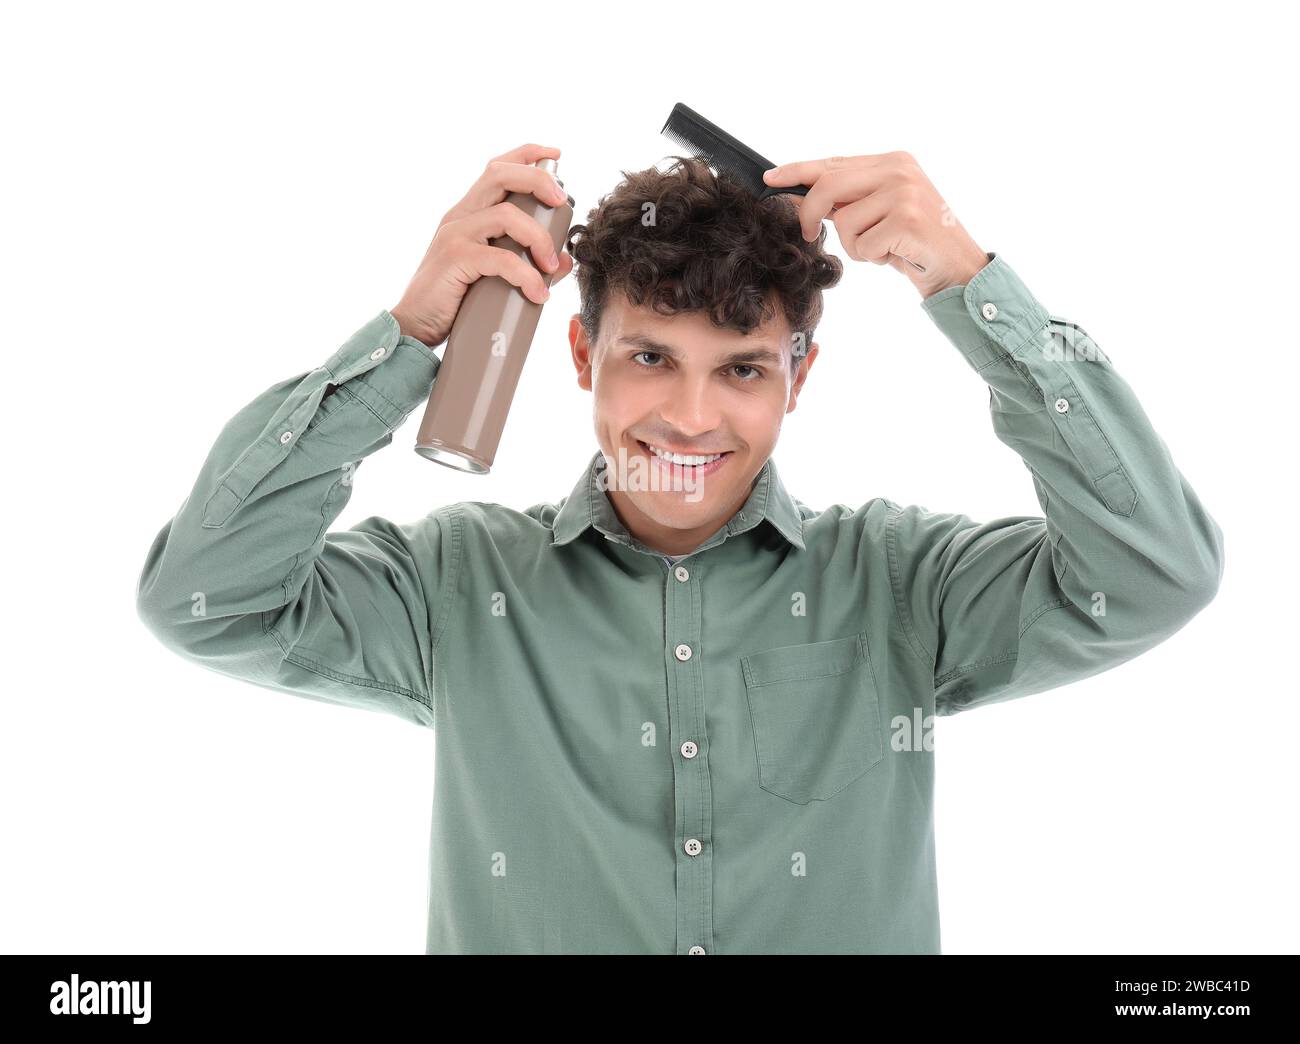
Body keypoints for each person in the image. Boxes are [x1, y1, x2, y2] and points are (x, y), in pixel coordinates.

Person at [136, 142, 1224, 954]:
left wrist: (970, 287)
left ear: (798, 377)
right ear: (579, 353)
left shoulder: (902, 585)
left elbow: (1154, 571)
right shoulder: (455, 588)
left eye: (742, 369)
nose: (691, 419)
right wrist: (411, 339)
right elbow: (204, 596)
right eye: (650, 356)